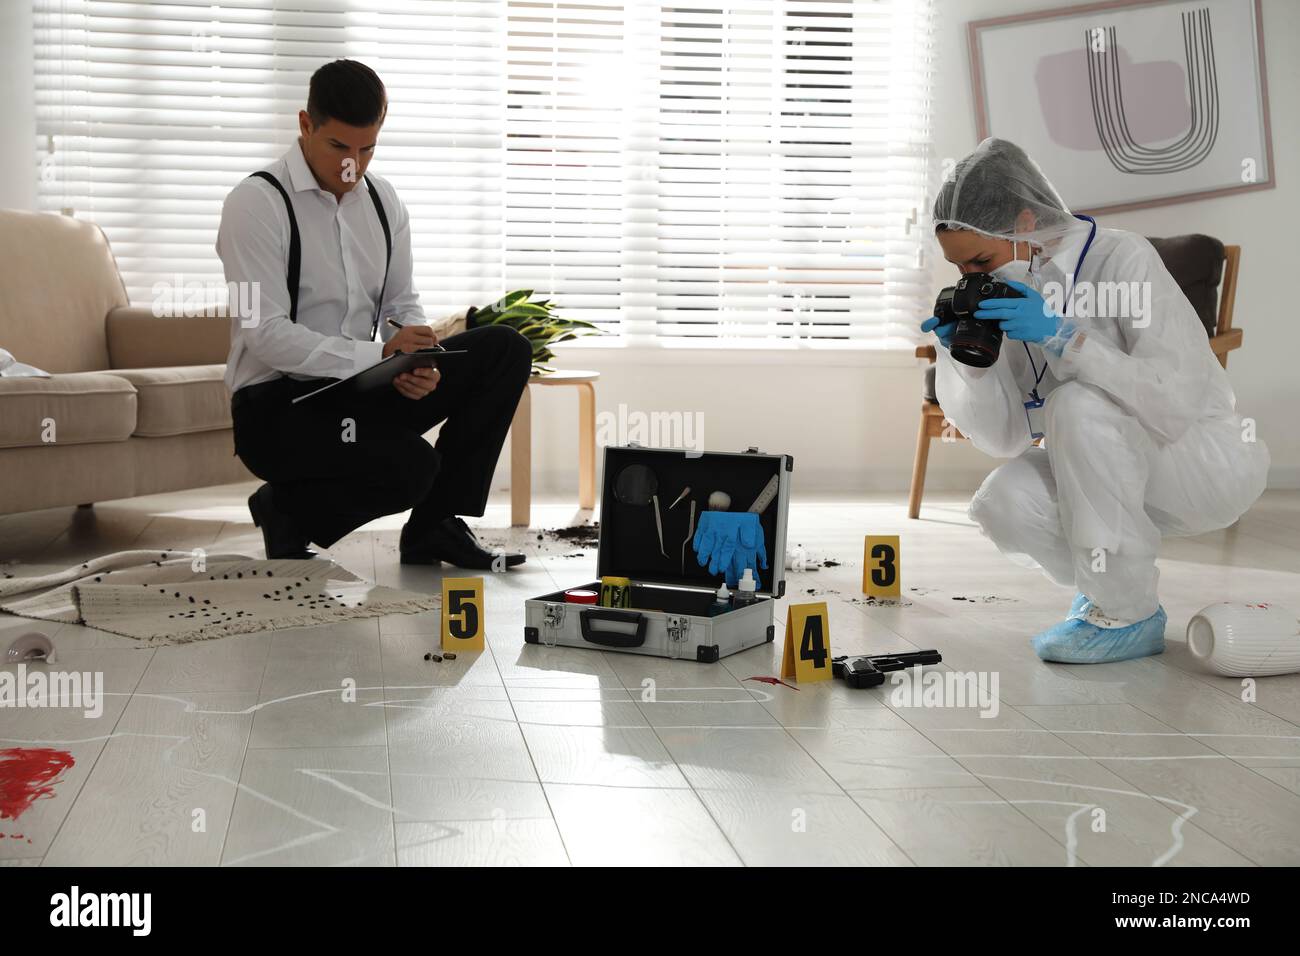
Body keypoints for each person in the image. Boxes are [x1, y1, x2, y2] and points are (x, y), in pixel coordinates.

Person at [922, 138, 1269, 663]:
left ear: (1020, 224)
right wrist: (973, 367)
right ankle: (1110, 591)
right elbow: (1005, 439)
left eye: (980, 260)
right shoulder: (1007, 290)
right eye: (960, 268)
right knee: (1003, 502)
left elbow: (1174, 400)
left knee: (1076, 404)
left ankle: (1124, 612)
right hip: (1102, 468)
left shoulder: (1120, 258)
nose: (973, 278)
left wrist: (1064, 338)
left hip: (1198, 460)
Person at [217, 59, 530, 569]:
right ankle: (287, 510)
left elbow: (400, 305)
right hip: (277, 411)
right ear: (305, 124)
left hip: (358, 393)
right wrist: (379, 354)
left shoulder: (384, 202)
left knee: (505, 350)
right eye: (339, 147)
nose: (352, 165)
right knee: (414, 467)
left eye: (367, 149)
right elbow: (264, 334)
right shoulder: (255, 204)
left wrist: (416, 358)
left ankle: (436, 527)